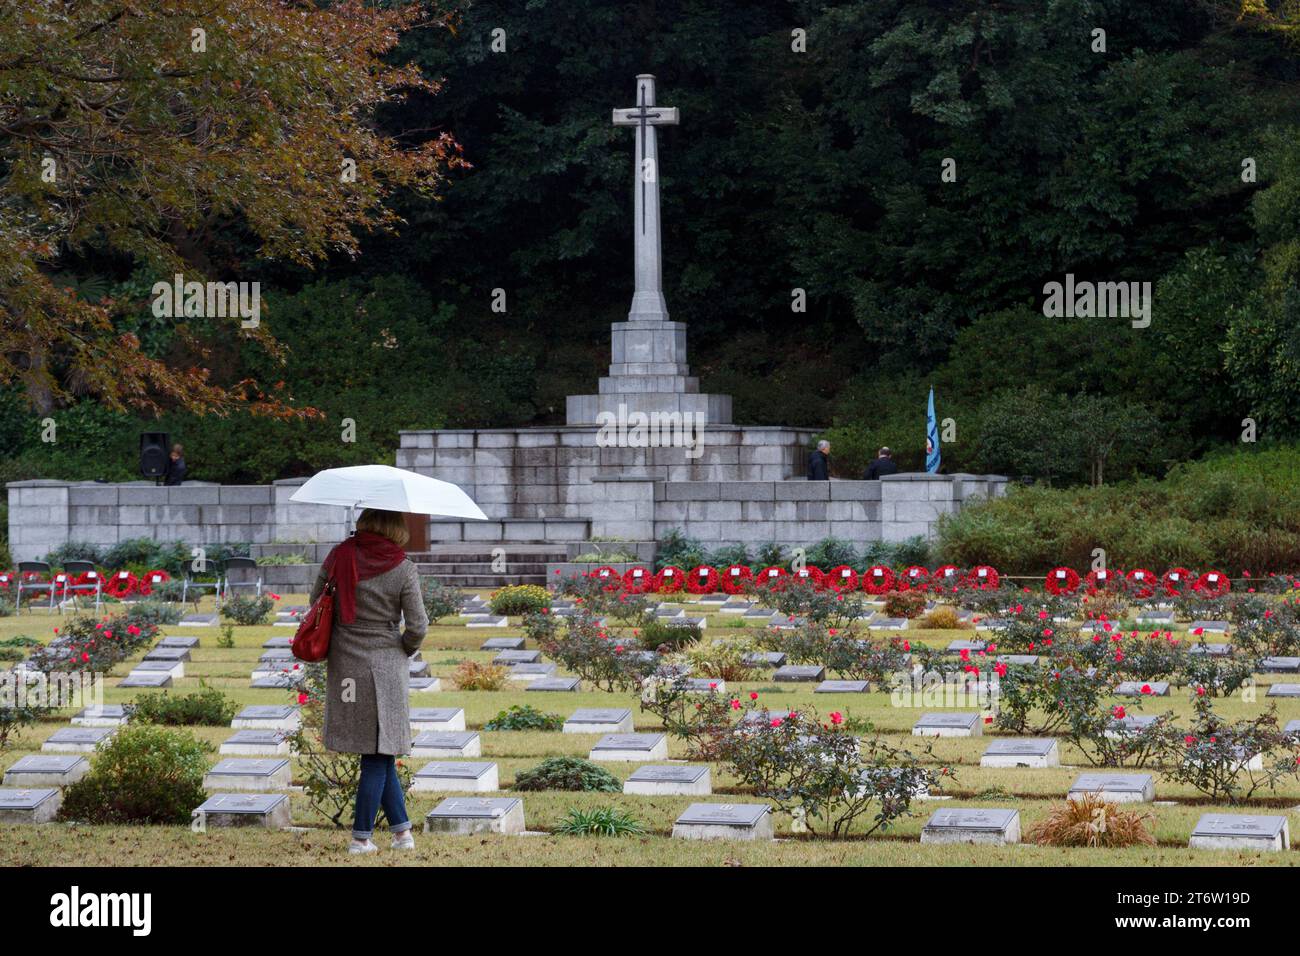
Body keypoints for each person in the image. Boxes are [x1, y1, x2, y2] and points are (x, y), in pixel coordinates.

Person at [309, 508, 429, 855]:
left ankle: (402, 833)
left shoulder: (338, 555)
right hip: (386, 664)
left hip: (346, 662)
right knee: (378, 752)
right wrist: (402, 648)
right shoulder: (403, 568)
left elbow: (315, 602)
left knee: (379, 749)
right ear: (395, 529)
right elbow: (418, 626)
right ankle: (361, 838)